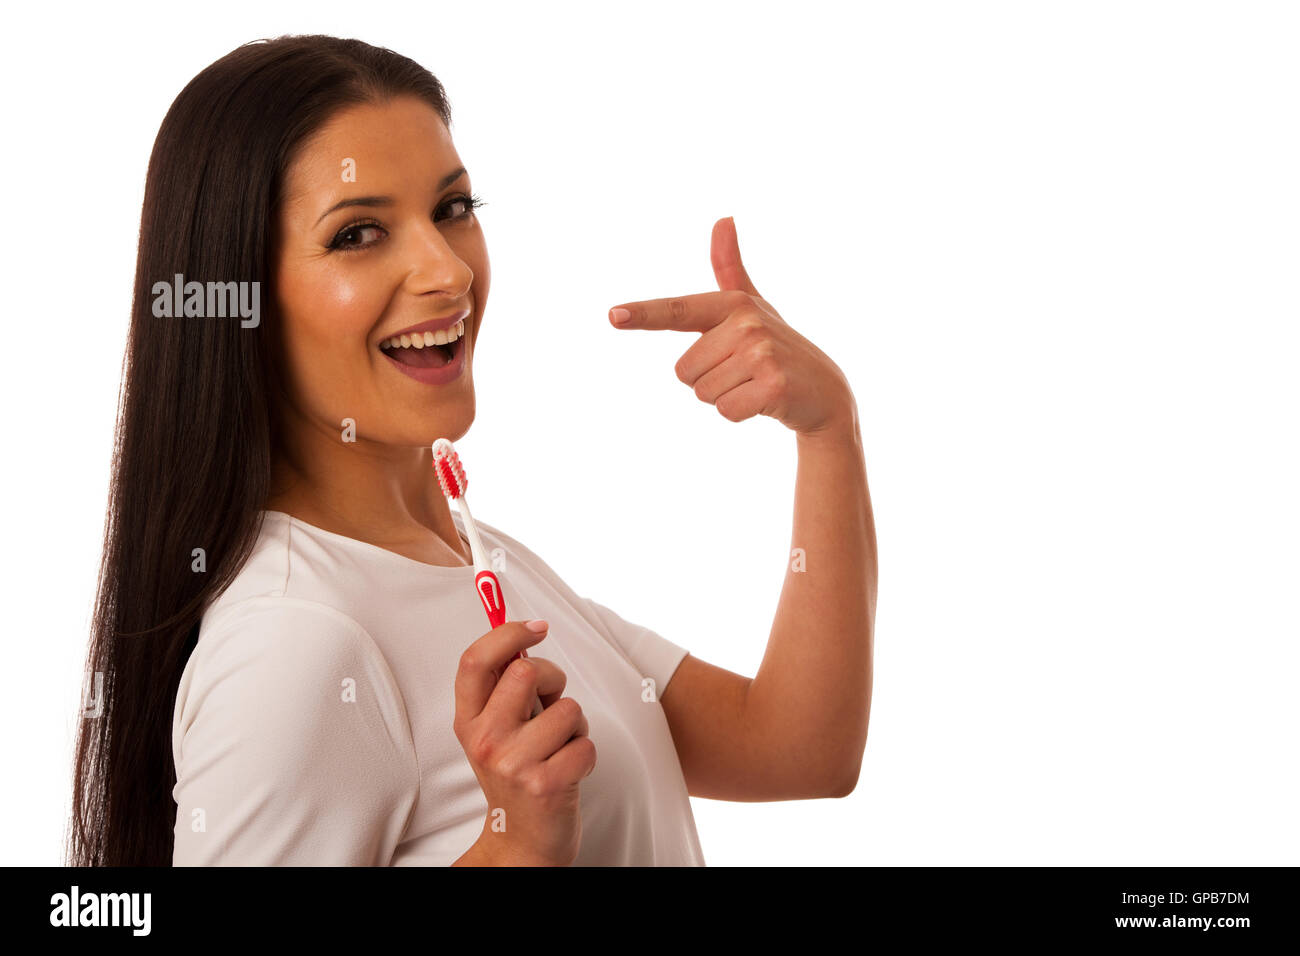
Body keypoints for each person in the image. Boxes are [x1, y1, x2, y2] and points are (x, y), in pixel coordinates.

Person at [67, 33, 877, 867]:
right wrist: (515, 846)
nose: (446, 270)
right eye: (357, 234)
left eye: (451, 209)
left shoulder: (473, 558)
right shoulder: (295, 641)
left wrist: (828, 431)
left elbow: (796, 747)